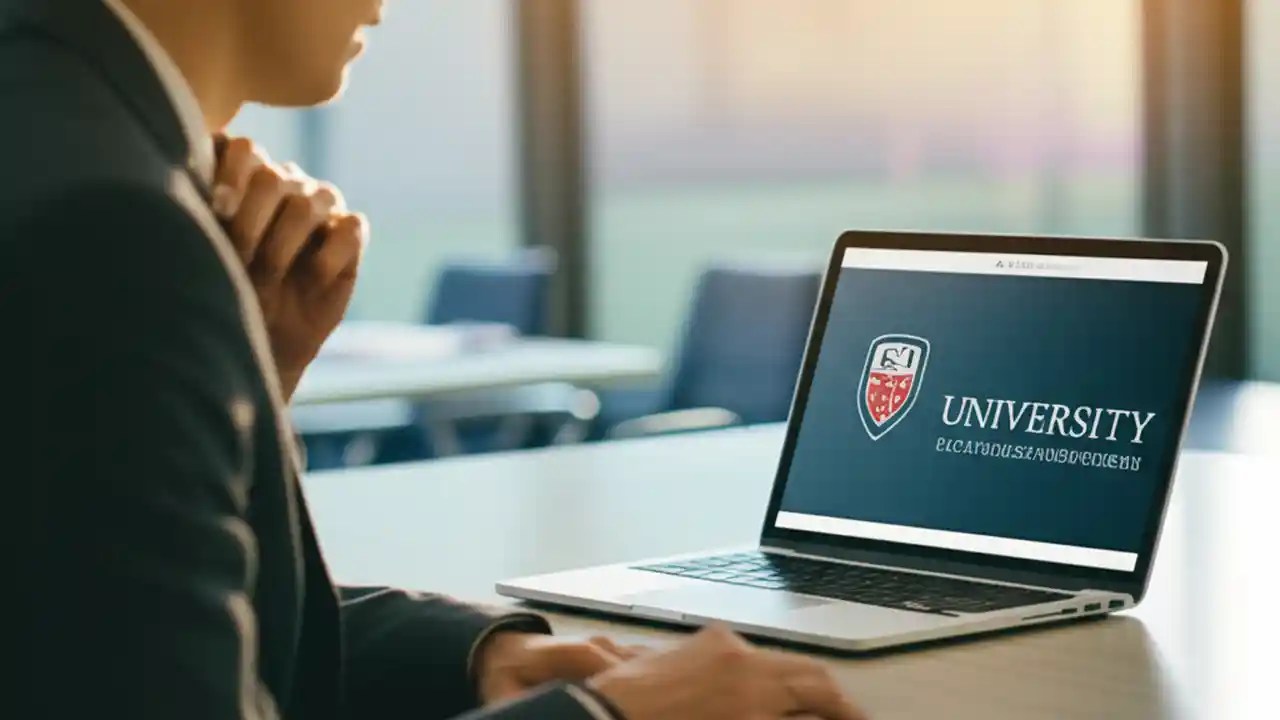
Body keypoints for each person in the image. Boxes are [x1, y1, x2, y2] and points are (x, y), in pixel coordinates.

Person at [2, 1, 866, 718]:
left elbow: (106, 635)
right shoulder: (111, 229)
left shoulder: (55, 129)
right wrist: (611, 716)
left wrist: (473, 660)